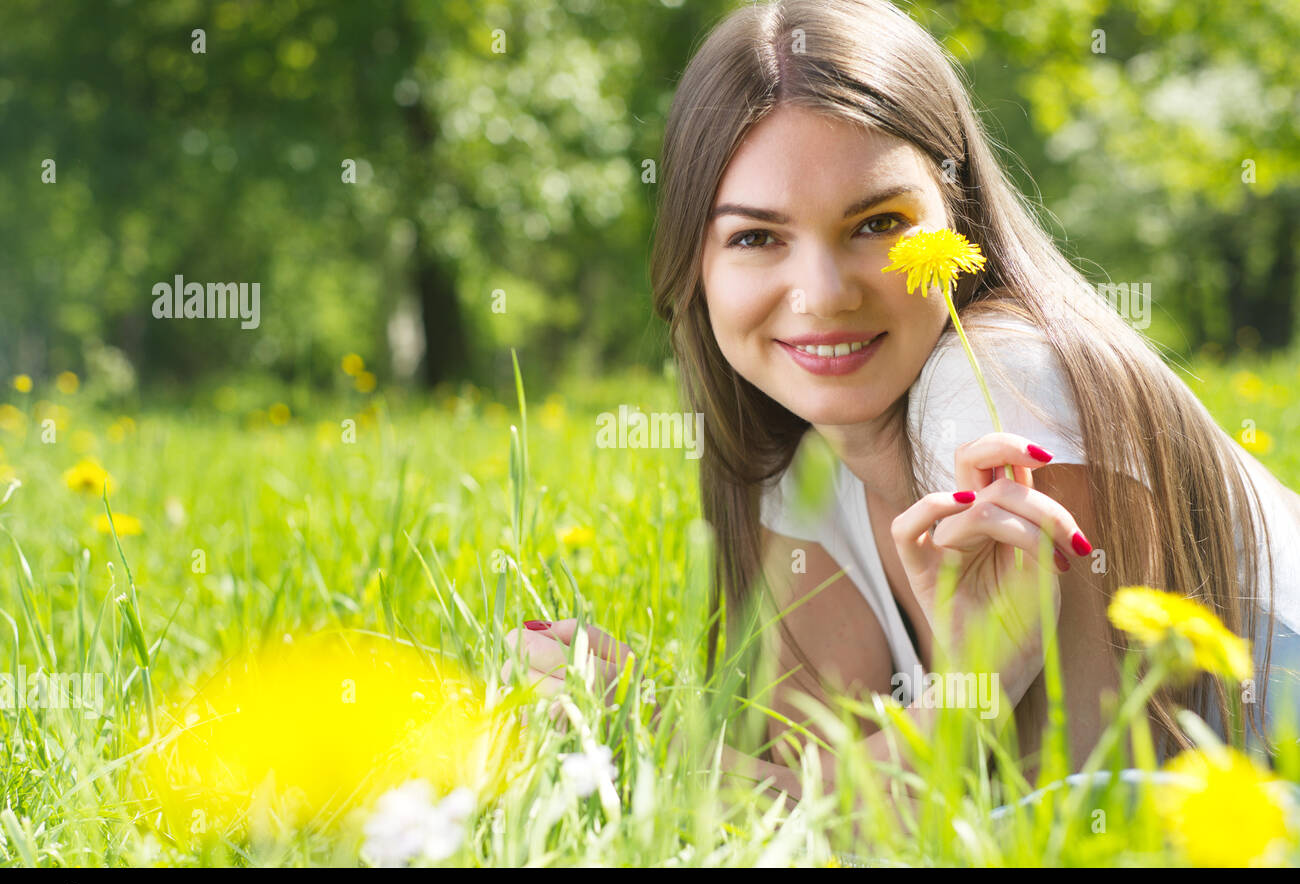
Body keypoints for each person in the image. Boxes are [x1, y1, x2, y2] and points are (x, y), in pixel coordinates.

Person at [501, 0, 1300, 813]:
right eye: (756, 237)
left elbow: (1067, 826)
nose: (822, 295)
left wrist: (663, 746)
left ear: (956, 213)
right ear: (694, 261)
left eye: (877, 223)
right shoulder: (798, 463)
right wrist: (647, 726)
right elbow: (814, 817)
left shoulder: (1001, 387)